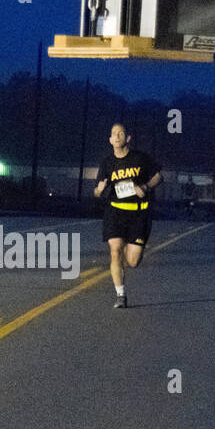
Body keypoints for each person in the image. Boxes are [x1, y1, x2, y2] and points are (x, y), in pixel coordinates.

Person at [93, 123, 162, 308]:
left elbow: (158, 176)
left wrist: (146, 187)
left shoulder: (141, 158)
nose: (116, 137)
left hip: (139, 214)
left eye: (120, 133)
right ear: (110, 140)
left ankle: (129, 248)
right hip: (115, 212)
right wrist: (99, 191)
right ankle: (120, 295)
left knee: (132, 261)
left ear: (128, 138)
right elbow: (98, 190)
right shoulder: (107, 163)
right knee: (115, 250)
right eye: (113, 134)